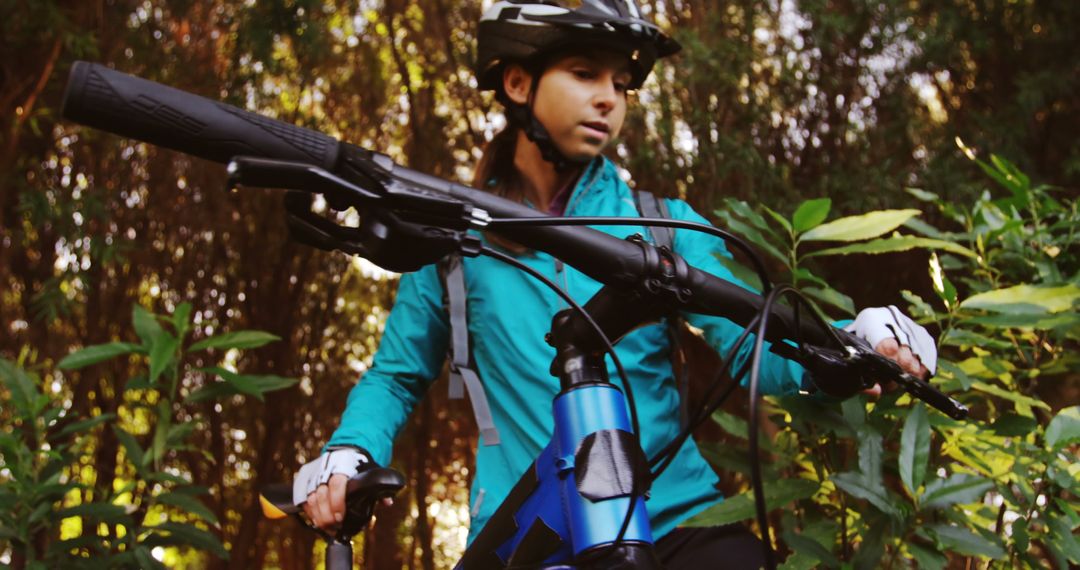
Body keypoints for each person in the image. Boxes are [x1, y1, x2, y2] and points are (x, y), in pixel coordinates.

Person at [293, 1, 937, 567]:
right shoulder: (454, 242)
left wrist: (848, 346)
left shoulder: (661, 226)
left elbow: (752, 346)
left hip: (676, 517)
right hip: (527, 526)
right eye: (585, 73)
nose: (610, 98)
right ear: (518, 82)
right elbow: (397, 374)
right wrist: (349, 452)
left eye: (623, 84)